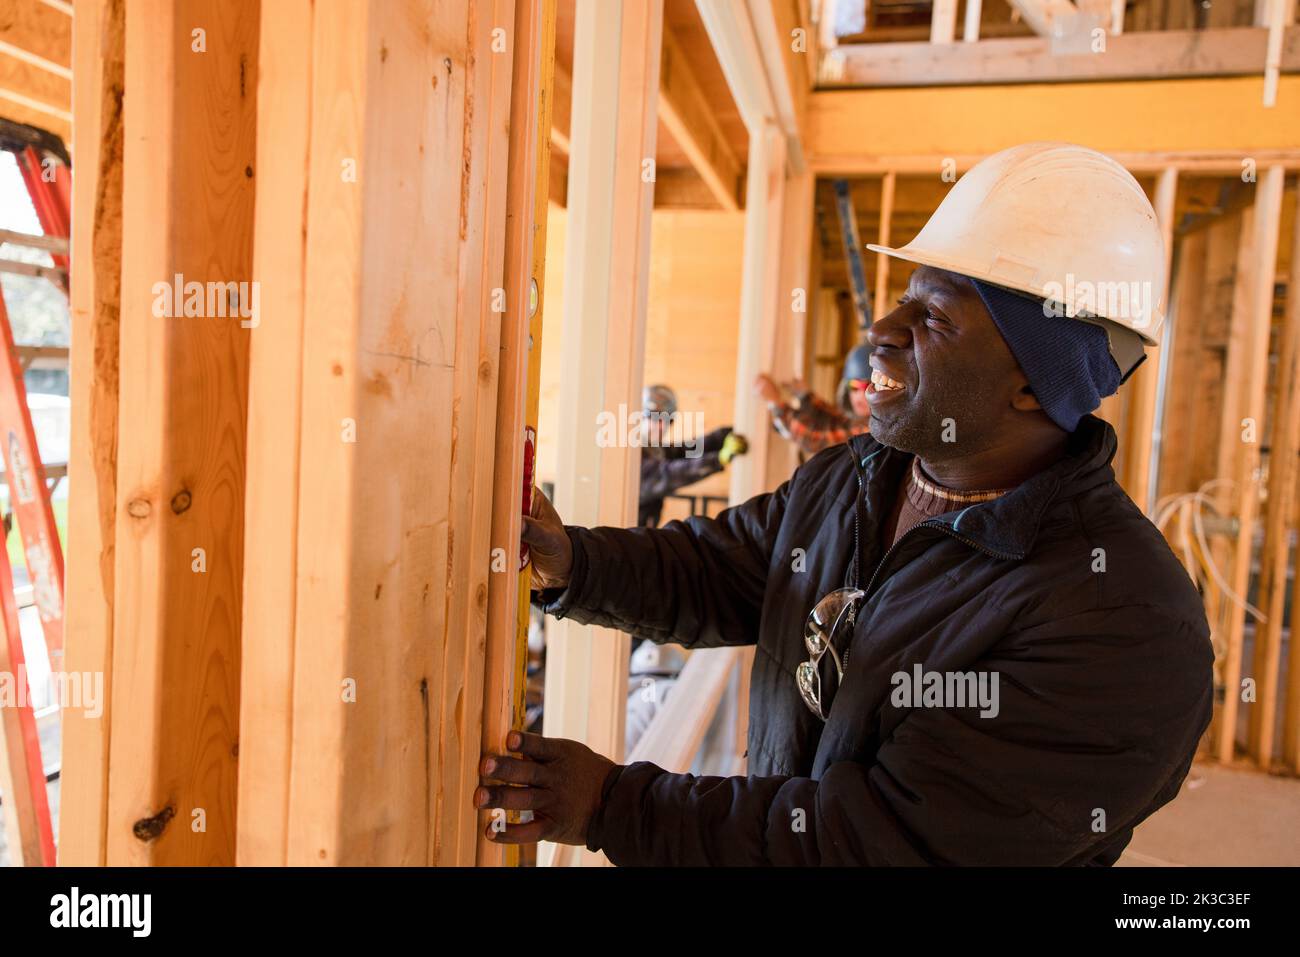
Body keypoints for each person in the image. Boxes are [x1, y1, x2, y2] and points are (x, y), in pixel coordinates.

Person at [476, 143, 1213, 865]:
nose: (882, 332)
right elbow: (726, 569)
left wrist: (612, 804)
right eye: (904, 299)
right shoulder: (858, 477)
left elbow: (874, 840)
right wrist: (571, 560)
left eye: (935, 318)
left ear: (1033, 382)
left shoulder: (1122, 620)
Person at [637, 384, 748, 527]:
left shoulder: (655, 449)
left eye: (667, 420)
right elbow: (668, 473)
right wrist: (718, 459)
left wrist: (725, 434)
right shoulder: (630, 455)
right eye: (654, 417)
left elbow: (689, 450)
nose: (661, 426)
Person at [755, 345, 872, 457]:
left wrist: (776, 404)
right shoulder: (862, 421)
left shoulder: (871, 430)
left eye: (866, 386)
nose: (859, 395)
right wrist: (805, 397)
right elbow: (837, 421)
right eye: (854, 386)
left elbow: (815, 440)